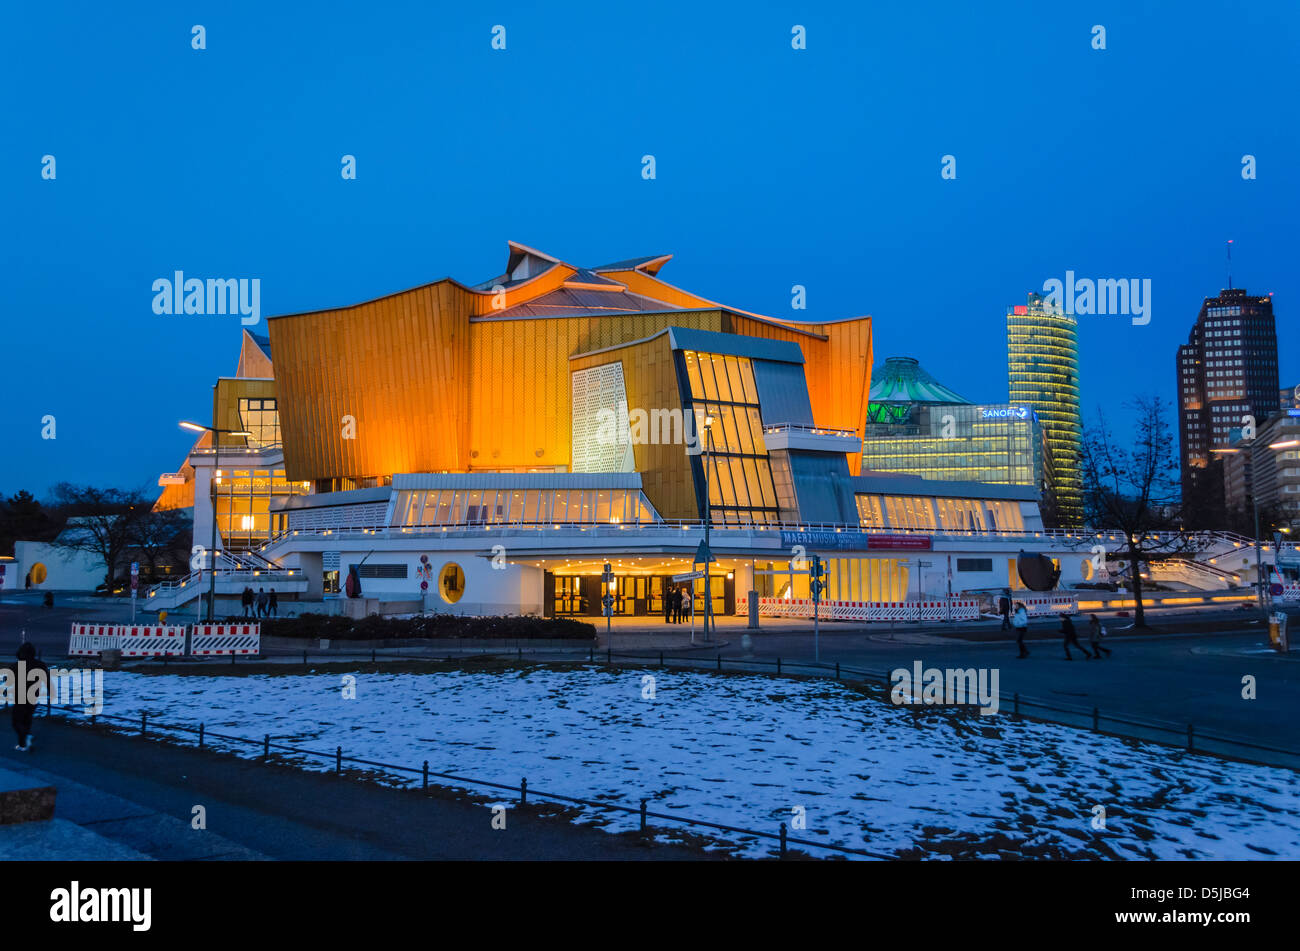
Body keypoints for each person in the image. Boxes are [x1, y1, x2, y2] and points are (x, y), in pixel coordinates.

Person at [10, 643, 47, 752]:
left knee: (16, 722)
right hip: (33, 696)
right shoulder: (41, 665)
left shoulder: (16, 666)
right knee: (27, 718)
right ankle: (24, 741)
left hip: (20, 696)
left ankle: (25, 739)